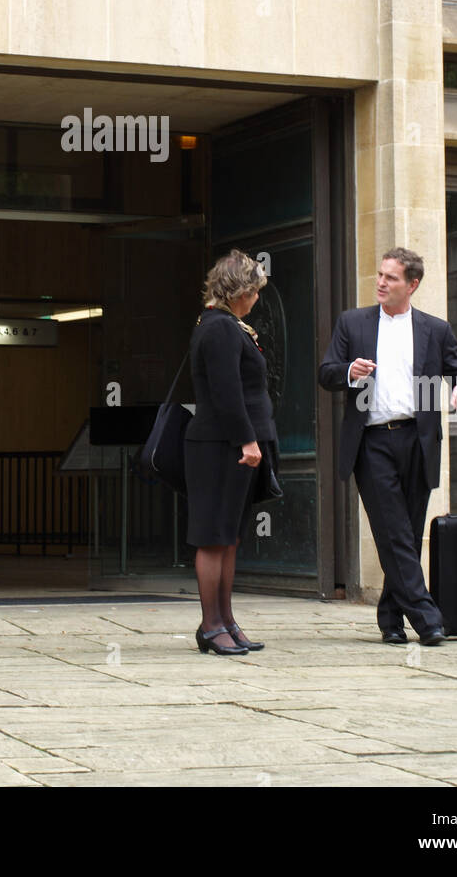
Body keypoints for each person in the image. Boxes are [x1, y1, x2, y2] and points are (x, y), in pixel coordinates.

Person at [318, 247, 457, 646]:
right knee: (392, 530)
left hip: (418, 441)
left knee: (405, 534)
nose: (380, 282)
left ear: (412, 285)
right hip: (371, 441)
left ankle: (391, 618)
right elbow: (326, 373)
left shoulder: (435, 329)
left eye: (390, 278)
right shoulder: (352, 322)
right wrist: (349, 371)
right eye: (379, 274)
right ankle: (428, 618)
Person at [186, 250, 279, 656]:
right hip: (220, 446)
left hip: (231, 445)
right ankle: (211, 626)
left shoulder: (226, 325)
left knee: (229, 538)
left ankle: (226, 621)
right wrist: (247, 440)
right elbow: (227, 393)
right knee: (213, 537)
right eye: (255, 291)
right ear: (240, 292)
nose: (257, 298)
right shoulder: (220, 328)